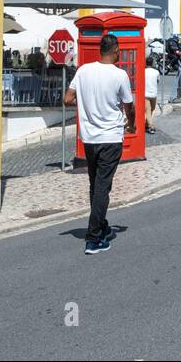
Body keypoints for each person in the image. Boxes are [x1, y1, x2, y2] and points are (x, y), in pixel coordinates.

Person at [64, 34, 134, 255]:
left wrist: (87, 103)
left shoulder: (83, 70)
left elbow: (67, 99)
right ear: (115, 50)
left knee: (95, 184)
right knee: (103, 187)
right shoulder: (120, 74)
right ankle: (93, 238)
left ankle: (101, 226)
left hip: (89, 138)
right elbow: (128, 105)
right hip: (110, 138)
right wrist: (131, 124)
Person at [144, 54, 160, 134]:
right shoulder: (156, 72)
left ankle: (147, 124)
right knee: (151, 109)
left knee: (148, 110)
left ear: (146, 63)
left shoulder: (143, 71)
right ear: (152, 63)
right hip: (153, 93)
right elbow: (158, 81)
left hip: (145, 94)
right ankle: (151, 126)